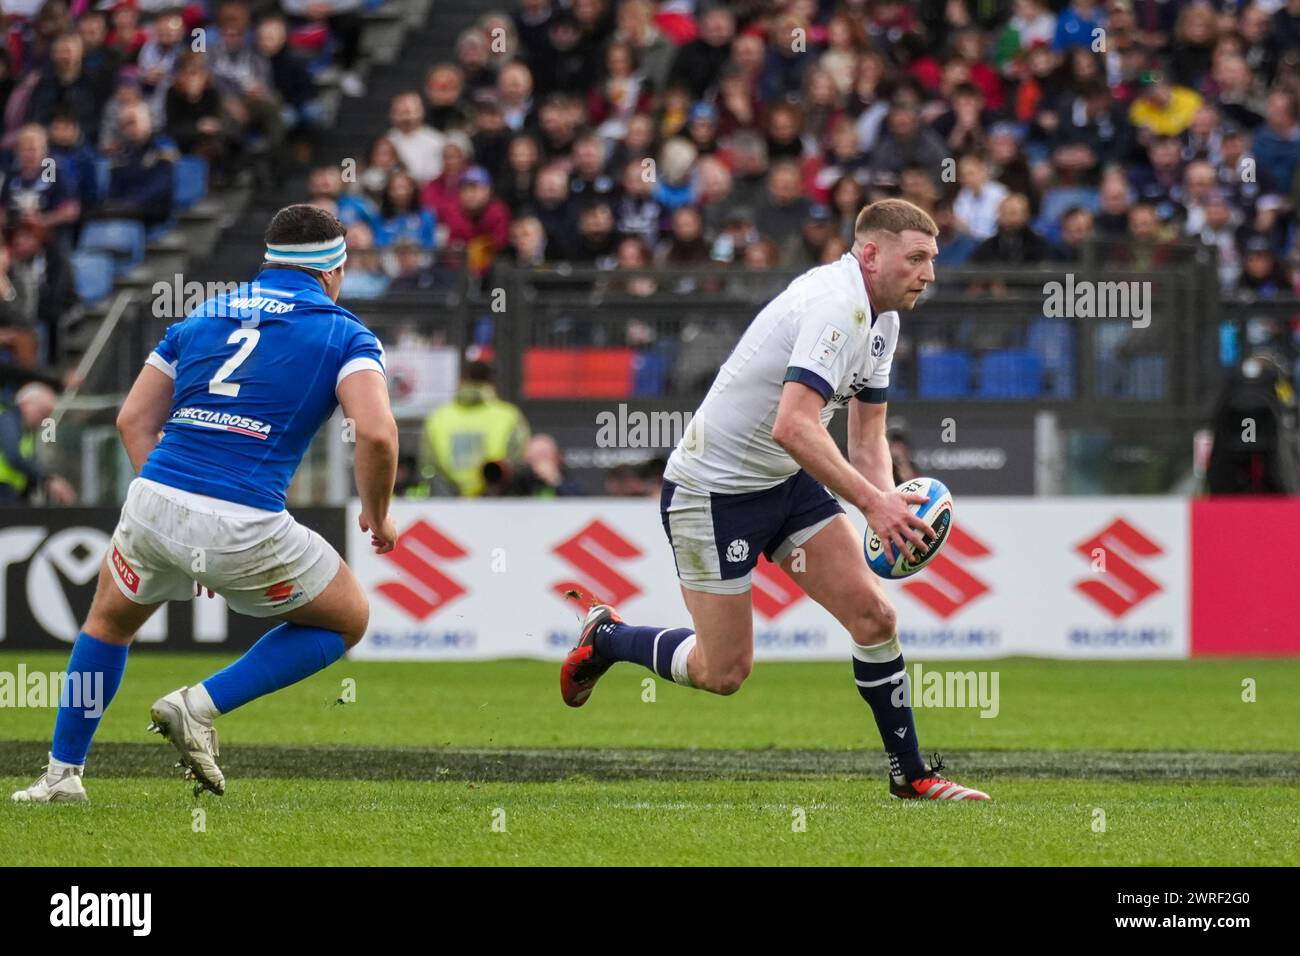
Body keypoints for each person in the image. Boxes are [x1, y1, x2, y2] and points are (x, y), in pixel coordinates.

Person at [559, 198, 990, 802]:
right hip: (712, 495)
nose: (930, 274)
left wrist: (891, 507)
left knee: (875, 618)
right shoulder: (835, 307)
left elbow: (868, 440)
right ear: (870, 254)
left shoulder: (883, 319)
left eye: (933, 259)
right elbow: (794, 425)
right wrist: (873, 505)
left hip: (787, 483)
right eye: (916, 258)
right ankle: (606, 637)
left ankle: (910, 774)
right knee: (723, 672)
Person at [12, 204, 399, 804]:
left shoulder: (200, 316)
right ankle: (200, 704)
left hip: (155, 499)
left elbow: (133, 419)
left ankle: (61, 776)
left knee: (108, 625)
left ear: (268, 260)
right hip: (243, 517)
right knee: (348, 618)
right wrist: (377, 512)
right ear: (333, 270)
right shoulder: (345, 331)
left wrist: (178, 520)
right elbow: (375, 433)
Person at [420, 359, 529, 496]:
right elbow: (516, 462)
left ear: (461, 380)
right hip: (496, 503)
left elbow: (428, 467)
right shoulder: (510, 416)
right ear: (492, 382)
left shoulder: (437, 417)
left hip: (449, 503)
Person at [0, 383, 76, 504]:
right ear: (26, 405)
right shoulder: (8, 418)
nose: (43, 421)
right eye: (43, 413)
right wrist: (48, 480)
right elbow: (13, 457)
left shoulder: (24, 430)